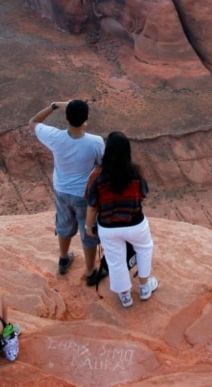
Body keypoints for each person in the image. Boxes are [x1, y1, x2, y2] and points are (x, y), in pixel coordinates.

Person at [31, 98, 105, 285]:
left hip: (61, 190)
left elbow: (34, 122)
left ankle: (64, 259)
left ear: (66, 117)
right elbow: (102, 165)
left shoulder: (55, 137)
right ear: (86, 118)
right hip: (84, 195)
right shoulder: (95, 142)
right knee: (88, 230)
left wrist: (54, 105)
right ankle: (90, 272)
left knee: (63, 224)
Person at [85, 131, 157, 308]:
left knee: (115, 260)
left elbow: (92, 204)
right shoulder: (137, 172)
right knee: (144, 249)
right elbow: (143, 194)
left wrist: (88, 226)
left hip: (108, 226)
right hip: (135, 223)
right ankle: (144, 288)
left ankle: (125, 296)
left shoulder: (97, 176)